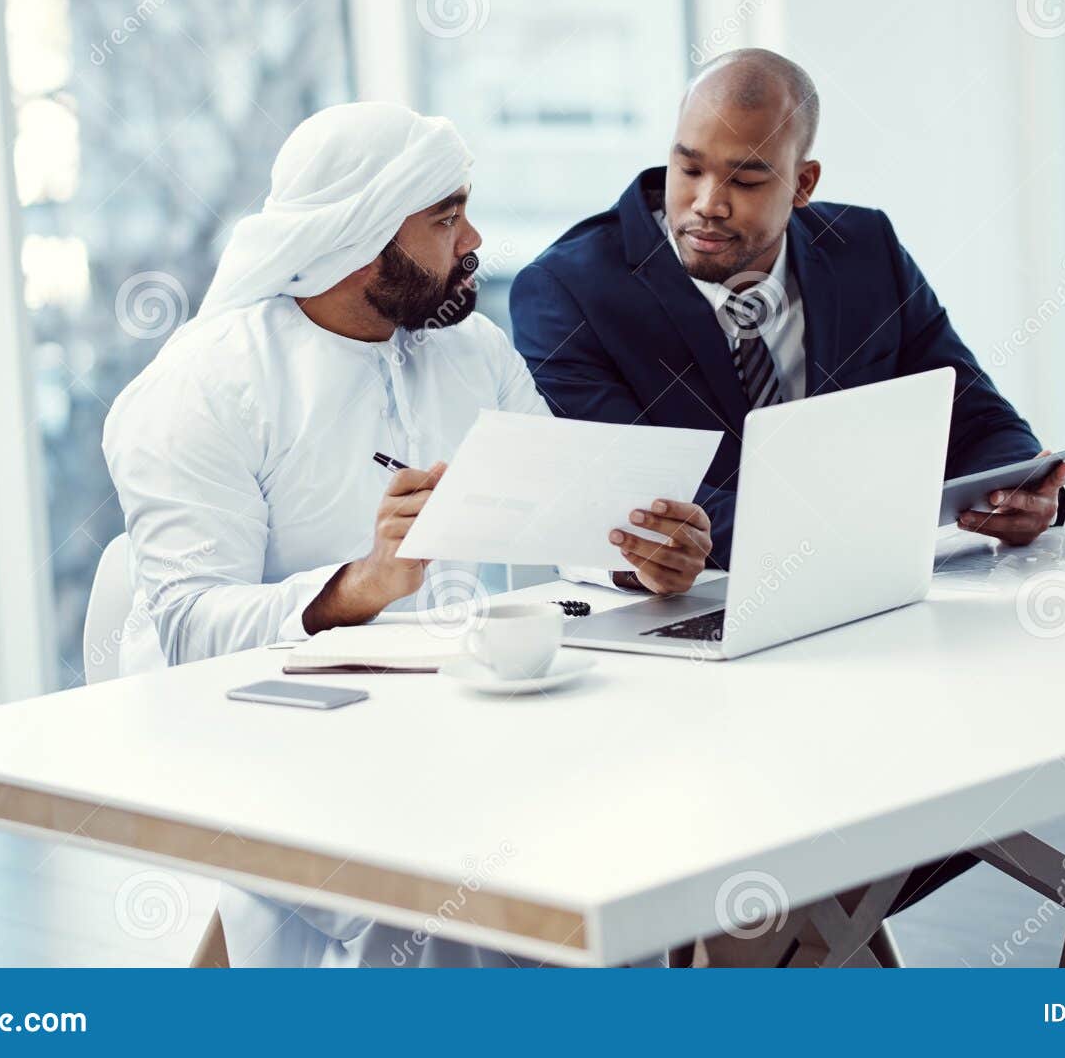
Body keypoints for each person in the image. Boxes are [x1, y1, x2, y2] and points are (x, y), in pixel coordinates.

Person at [103, 102, 710, 966]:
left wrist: (647, 561)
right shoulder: (203, 387)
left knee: (638, 816)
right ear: (359, 238)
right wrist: (365, 584)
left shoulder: (477, 355)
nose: (473, 240)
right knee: (483, 872)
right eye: (445, 218)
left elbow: (578, 529)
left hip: (460, 718)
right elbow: (191, 631)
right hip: (272, 742)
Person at [510, 48, 1065, 571]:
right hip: (701, 604)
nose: (708, 205)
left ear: (803, 183)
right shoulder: (566, 292)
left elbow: (976, 418)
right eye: (689, 169)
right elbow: (629, 492)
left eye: (746, 179)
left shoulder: (866, 248)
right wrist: (848, 533)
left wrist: (1019, 492)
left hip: (876, 586)